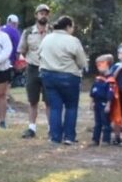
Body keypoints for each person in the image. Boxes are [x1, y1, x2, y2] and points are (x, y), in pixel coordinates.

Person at [37, 15, 88, 147]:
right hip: (69, 76)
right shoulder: (72, 41)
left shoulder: (47, 39)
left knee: (55, 107)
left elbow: (39, 55)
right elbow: (82, 62)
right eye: (72, 27)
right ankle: (69, 136)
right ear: (68, 26)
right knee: (71, 107)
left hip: (48, 76)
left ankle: (55, 137)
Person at [18, 4, 52, 139]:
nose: (43, 16)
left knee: (49, 101)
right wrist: (27, 60)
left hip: (49, 68)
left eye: (46, 13)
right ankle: (31, 128)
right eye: (41, 13)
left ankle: (51, 128)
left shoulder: (54, 31)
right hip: (32, 68)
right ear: (36, 15)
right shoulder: (28, 32)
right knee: (33, 100)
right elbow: (22, 50)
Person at [90, 55, 118, 146]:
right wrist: (92, 101)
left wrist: (108, 104)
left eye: (101, 64)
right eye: (97, 64)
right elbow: (93, 90)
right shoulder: (98, 79)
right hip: (97, 103)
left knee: (105, 122)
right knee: (97, 122)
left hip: (104, 103)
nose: (99, 66)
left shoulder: (110, 80)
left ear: (108, 65)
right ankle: (95, 140)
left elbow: (111, 93)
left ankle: (106, 140)